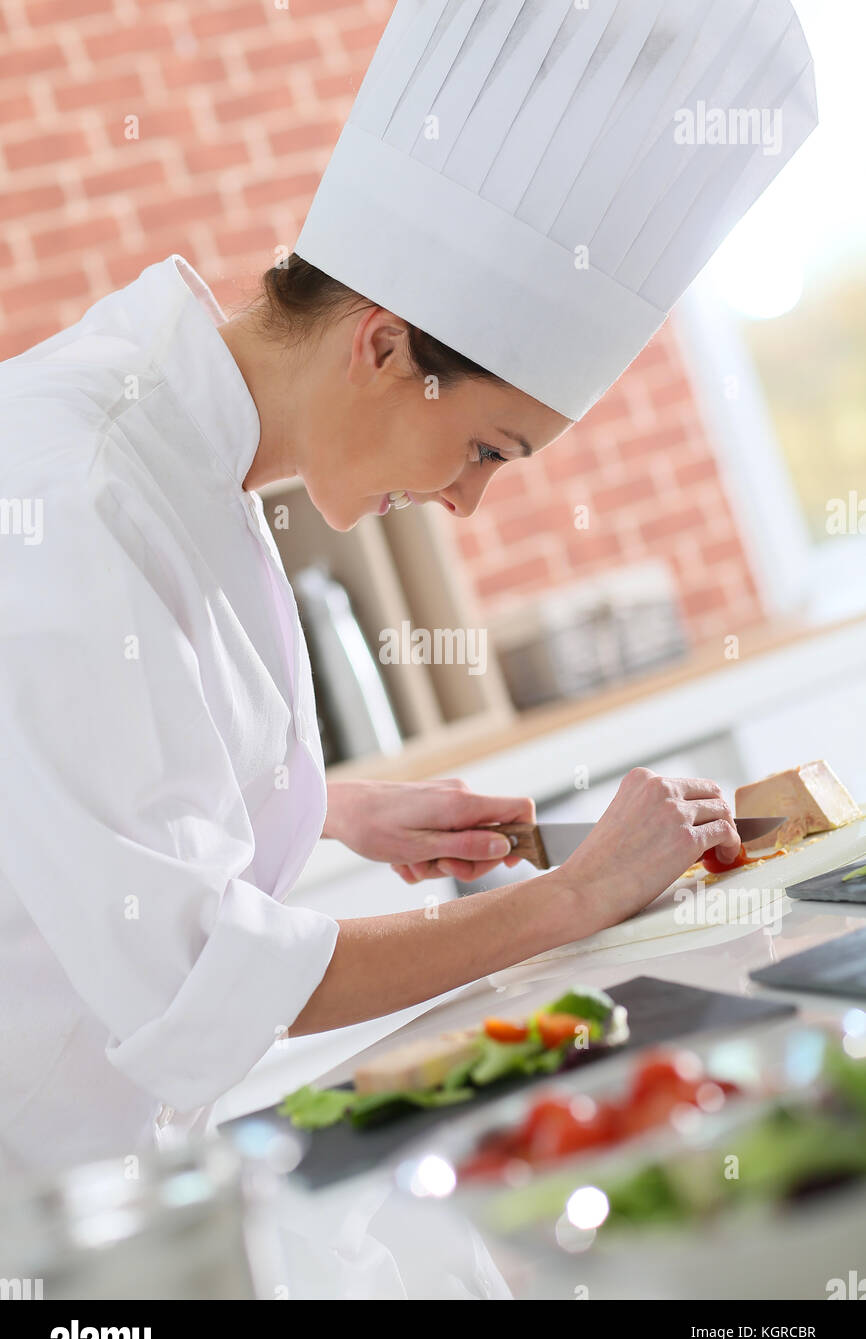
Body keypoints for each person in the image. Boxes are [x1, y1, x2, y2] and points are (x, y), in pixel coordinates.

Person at [0, 0, 816, 1172]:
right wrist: (570, 899)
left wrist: (320, 803)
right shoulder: (69, 487)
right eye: (487, 449)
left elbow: (73, 770)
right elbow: (192, 975)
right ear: (381, 347)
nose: (466, 502)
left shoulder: (181, 442)